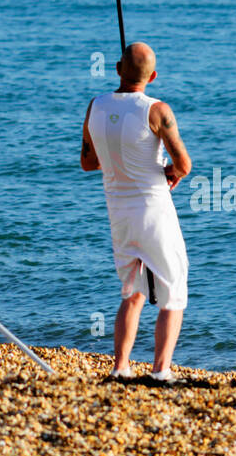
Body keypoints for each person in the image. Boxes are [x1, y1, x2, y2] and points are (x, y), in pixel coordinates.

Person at [81, 41, 191, 384]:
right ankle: (160, 371)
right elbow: (184, 165)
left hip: (119, 215)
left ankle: (121, 367)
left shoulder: (95, 106)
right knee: (173, 289)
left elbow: (88, 162)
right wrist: (169, 173)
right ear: (153, 76)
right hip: (154, 212)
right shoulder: (157, 110)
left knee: (133, 292)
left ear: (117, 68)